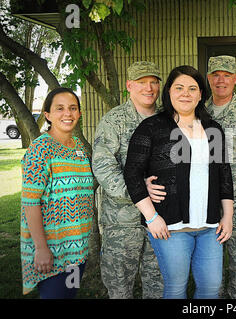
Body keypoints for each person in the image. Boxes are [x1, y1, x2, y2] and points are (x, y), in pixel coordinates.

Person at [147, 56, 236, 298]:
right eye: (215, 74)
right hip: (203, 209)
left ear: (235, 79)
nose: (221, 80)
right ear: (208, 80)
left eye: (227, 75)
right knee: (213, 278)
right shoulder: (196, 110)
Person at [123, 65, 234, 299]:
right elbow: (132, 173)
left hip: (210, 227)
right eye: (179, 87)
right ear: (169, 92)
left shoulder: (213, 129)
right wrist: (151, 218)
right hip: (171, 228)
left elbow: (224, 174)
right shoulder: (152, 127)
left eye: (192, 88)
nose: (186, 93)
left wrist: (228, 216)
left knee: (212, 287)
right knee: (175, 288)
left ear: (201, 94)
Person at [92, 61, 163, 299]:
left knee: (159, 283)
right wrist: (137, 192)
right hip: (122, 222)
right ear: (129, 86)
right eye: (142, 82)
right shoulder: (113, 121)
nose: (149, 88)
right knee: (120, 287)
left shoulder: (168, 118)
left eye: (153, 82)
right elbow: (103, 167)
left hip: (162, 218)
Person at [20, 87, 94, 298]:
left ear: (79, 113)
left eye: (72, 108)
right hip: (53, 249)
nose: (67, 114)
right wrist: (41, 248)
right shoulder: (40, 149)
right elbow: (31, 202)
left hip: (77, 249)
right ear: (48, 115)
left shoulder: (78, 147)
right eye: (59, 108)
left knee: (70, 294)